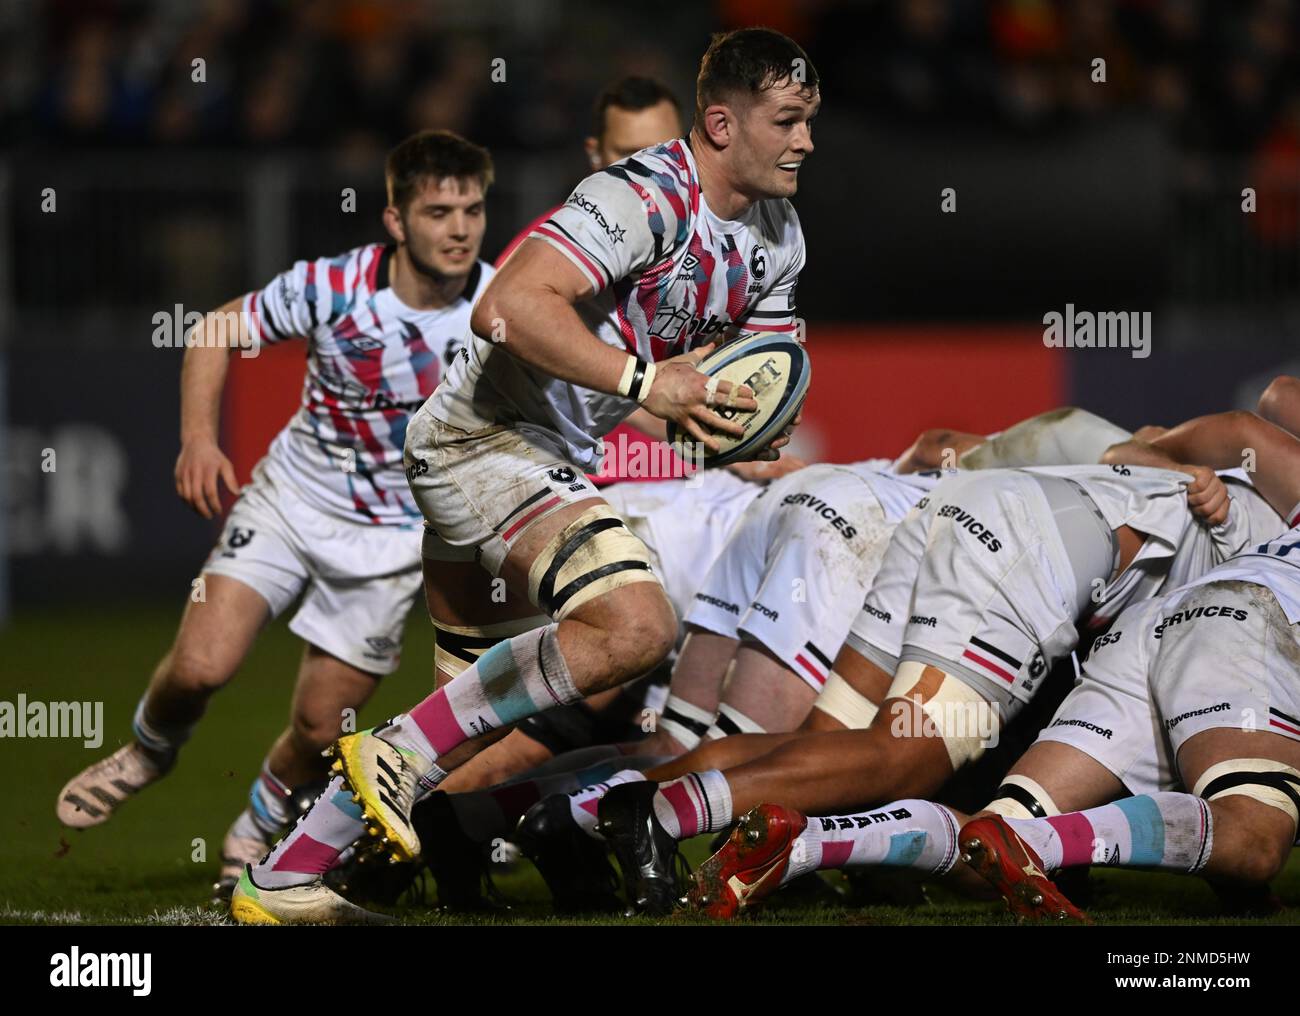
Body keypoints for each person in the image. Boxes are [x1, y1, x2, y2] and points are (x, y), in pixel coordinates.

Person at [231, 26, 820, 925]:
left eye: (809, 119)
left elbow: (752, 365)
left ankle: (284, 874)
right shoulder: (641, 195)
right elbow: (505, 307)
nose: (806, 140)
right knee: (634, 627)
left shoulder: (779, 237)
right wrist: (644, 382)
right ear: (721, 122)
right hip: (486, 440)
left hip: (540, 454)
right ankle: (389, 750)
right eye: (787, 120)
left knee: (475, 727)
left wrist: (719, 426)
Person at [55, 131, 497, 902]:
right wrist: (198, 439)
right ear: (395, 220)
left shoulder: (500, 310)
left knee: (325, 729)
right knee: (200, 668)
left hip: (396, 544)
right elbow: (216, 329)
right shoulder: (334, 287)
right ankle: (149, 750)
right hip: (292, 503)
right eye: (437, 211)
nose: (459, 229)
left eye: (472, 208)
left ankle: (255, 828)